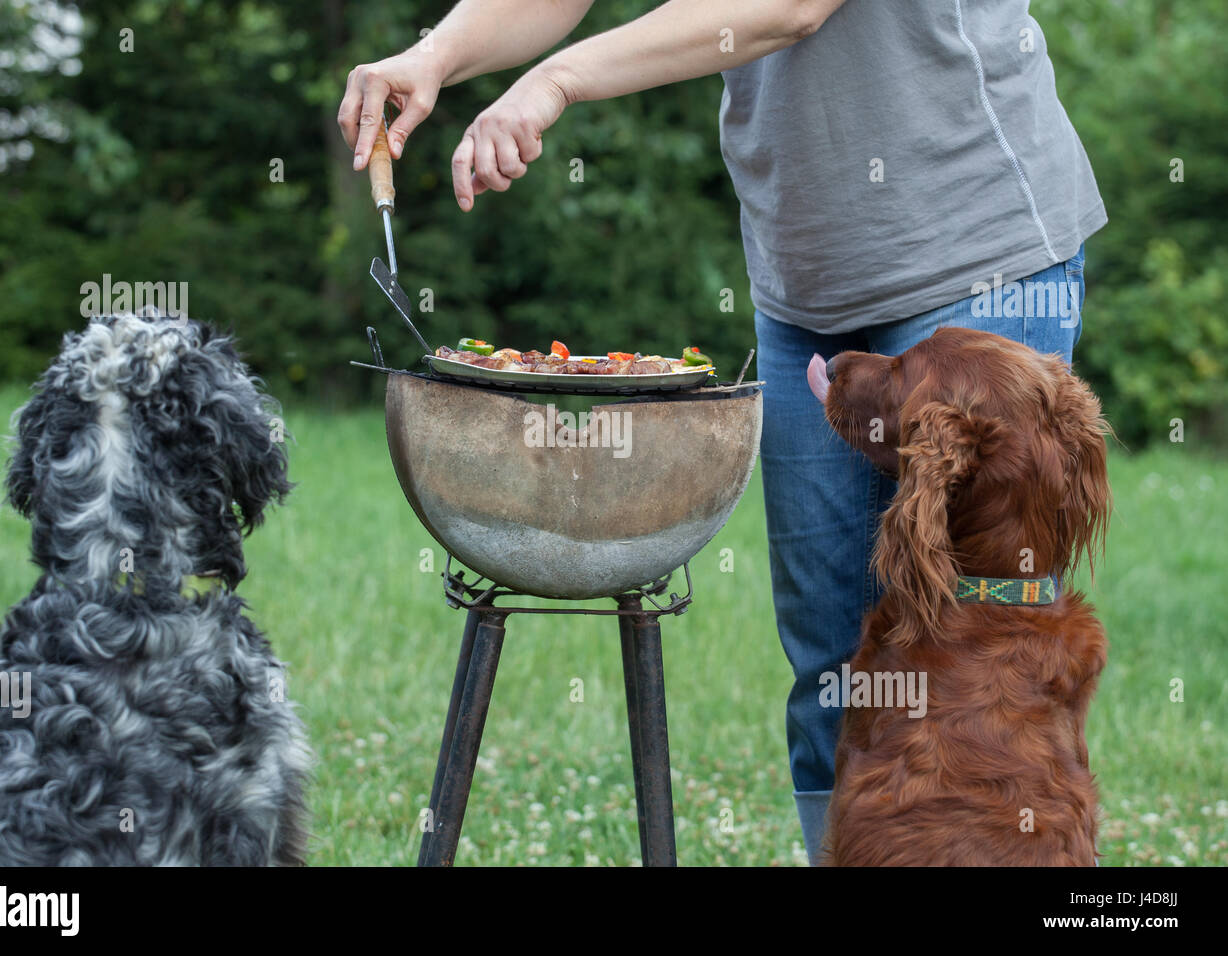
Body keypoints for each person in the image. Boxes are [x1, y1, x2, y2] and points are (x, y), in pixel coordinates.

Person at [338, 0, 1106, 860]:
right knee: (833, 671)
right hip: (807, 283)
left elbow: (788, 8)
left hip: (970, 250)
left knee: (984, 670)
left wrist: (555, 79)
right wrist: (438, 53)